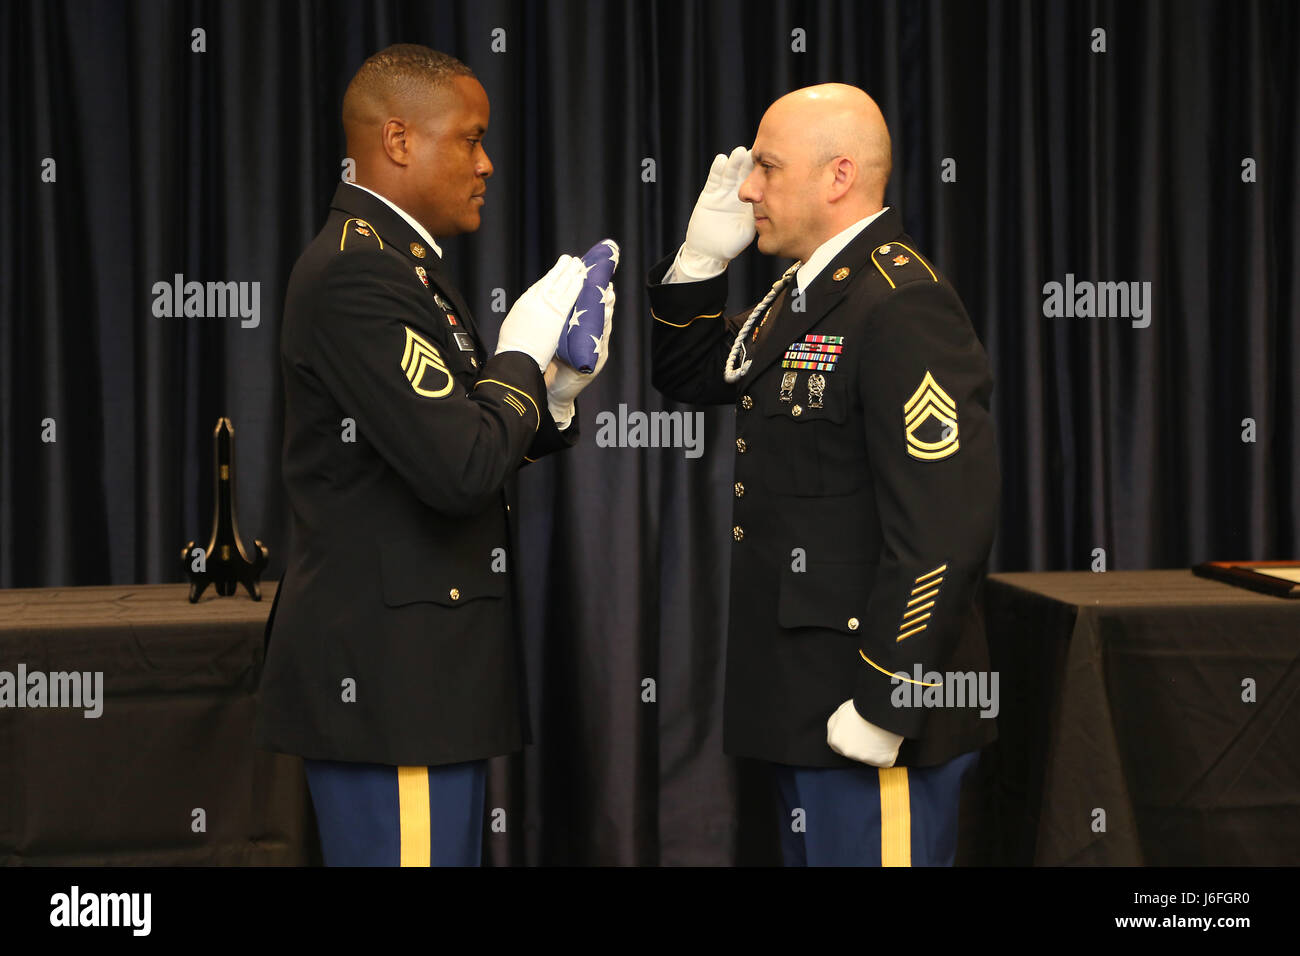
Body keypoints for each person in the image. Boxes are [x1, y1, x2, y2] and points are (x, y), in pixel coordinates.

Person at [256, 44, 611, 866]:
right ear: (399, 140)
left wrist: (550, 395)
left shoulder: (405, 266)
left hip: (422, 683)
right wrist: (521, 354)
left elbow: (455, 445)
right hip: (392, 688)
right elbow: (458, 471)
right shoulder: (359, 275)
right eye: (471, 138)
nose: (487, 164)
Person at [647, 83, 999, 866]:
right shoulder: (811, 292)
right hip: (805, 702)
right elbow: (692, 371)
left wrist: (889, 695)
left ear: (838, 177)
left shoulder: (900, 303)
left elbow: (947, 525)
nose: (748, 187)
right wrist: (702, 260)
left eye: (768, 168)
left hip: (874, 707)